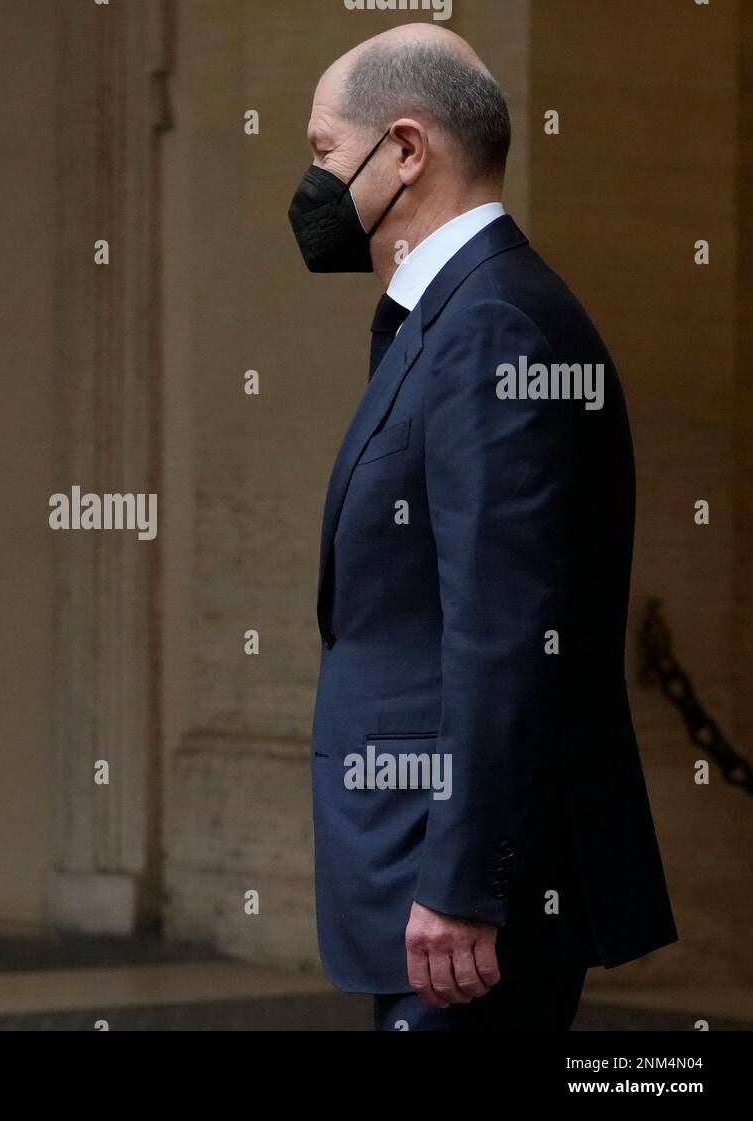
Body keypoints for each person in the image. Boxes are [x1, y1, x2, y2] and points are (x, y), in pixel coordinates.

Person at [288, 25, 677, 1030]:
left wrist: (464, 879)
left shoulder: (490, 323)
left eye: (324, 151)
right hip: (420, 869)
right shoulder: (451, 314)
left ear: (406, 151)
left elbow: (504, 628)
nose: (313, 184)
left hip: (456, 897)